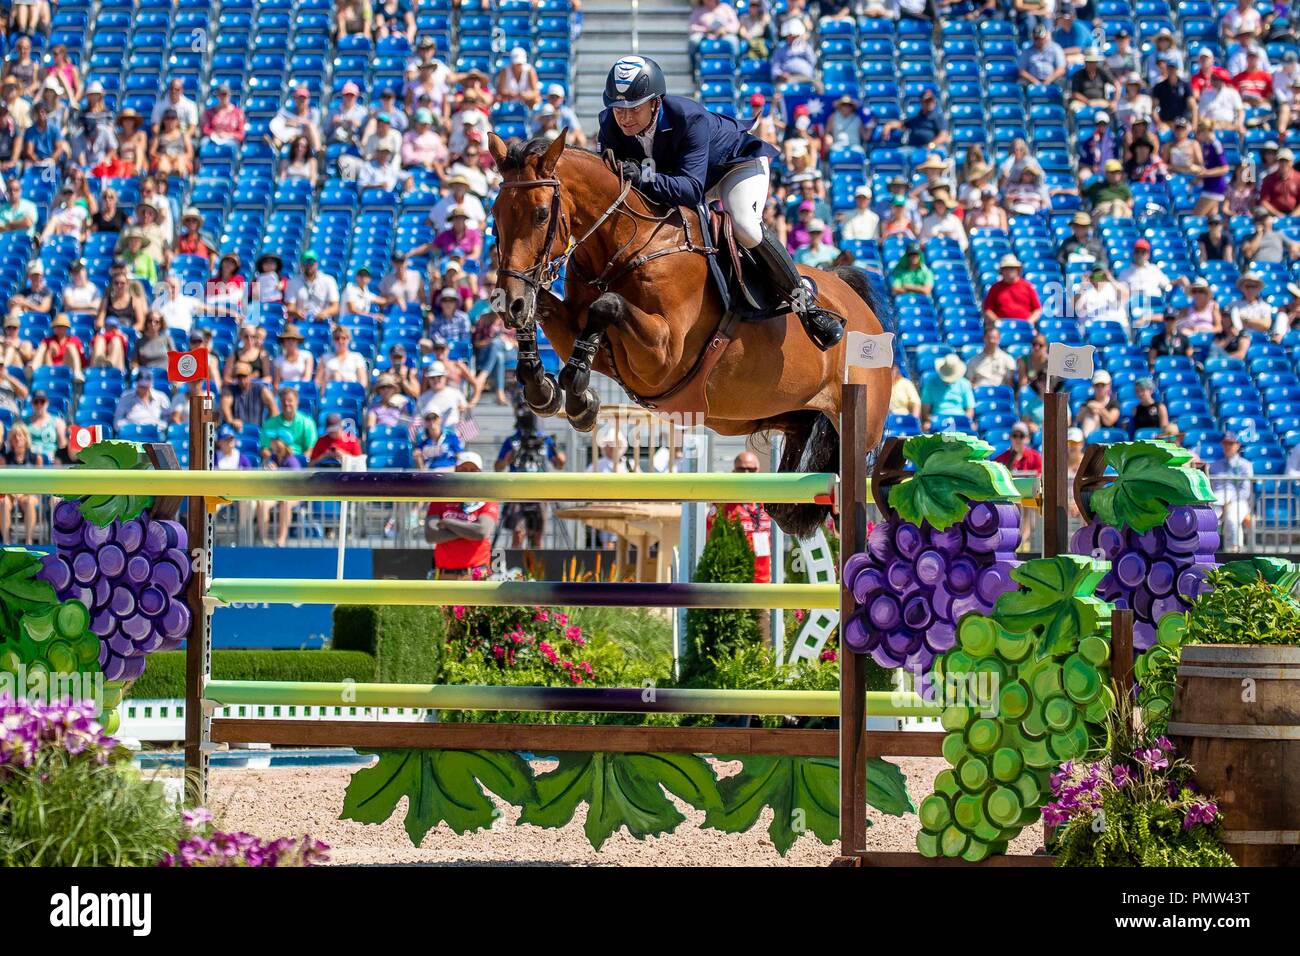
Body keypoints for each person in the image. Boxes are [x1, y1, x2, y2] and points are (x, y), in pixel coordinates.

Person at [593, 55, 841, 350]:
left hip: (734, 167)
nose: (625, 117)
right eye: (618, 108)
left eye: (634, 108)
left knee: (744, 224)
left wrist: (644, 178)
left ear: (656, 102)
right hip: (680, 177)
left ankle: (804, 301)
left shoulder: (689, 117)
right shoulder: (609, 125)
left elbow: (691, 190)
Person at [494, 408, 567, 549]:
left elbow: (559, 465)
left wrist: (555, 449)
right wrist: (508, 458)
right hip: (517, 492)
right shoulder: (512, 441)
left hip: (540, 492)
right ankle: (516, 562)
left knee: (538, 536)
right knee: (518, 533)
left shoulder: (545, 440)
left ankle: (537, 563)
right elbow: (498, 467)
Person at [424, 451, 499, 579]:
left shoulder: (487, 498)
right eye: (463, 469)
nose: (468, 474)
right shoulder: (442, 497)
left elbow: (481, 531)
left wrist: (448, 523)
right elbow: (431, 535)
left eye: (473, 470)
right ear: (456, 470)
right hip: (445, 575)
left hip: (476, 574)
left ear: (480, 473)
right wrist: (469, 531)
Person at [0, 423, 43, 544]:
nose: (17, 438)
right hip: (10, 494)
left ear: (26, 437)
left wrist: (22, 493)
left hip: (29, 494)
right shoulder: (4, 459)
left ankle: (29, 541)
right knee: (3, 502)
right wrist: (13, 493)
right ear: (10, 440)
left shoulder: (36, 458)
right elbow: (2, 482)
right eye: (14, 436)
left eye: (20, 435)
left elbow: (39, 483)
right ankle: (6, 541)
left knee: (29, 502)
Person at [1209, 432, 1253, 551]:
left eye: (1231, 444)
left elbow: (1245, 491)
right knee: (1208, 519)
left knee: (1232, 519)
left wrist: (1229, 501)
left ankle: (1234, 550)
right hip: (1217, 501)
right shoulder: (1214, 466)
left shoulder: (1245, 465)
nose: (1228, 446)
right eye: (1226, 444)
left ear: (1237, 445)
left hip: (1238, 501)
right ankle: (1209, 549)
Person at [258, 387, 317, 464]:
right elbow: (264, 449)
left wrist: (298, 463)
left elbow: (311, 449)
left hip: (299, 464)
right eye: (283, 401)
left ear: (297, 402)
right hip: (275, 464)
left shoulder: (307, 423)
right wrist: (275, 462)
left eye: (290, 400)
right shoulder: (270, 423)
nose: (286, 403)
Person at [982, 255, 1042, 324]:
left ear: (1018, 270)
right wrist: (997, 322)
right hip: (1001, 326)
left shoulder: (1027, 286)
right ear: (1001, 271)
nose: (1009, 271)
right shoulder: (995, 288)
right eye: (1006, 269)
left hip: (1024, 326)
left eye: (1012, 268)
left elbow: (1037, 309)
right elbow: (988, 310)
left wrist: (1029, 322)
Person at [921, 354, 975, 429]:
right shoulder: (930, 384)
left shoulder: (965, 384)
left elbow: (970, 409)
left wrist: (966, 421)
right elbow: (925, 410)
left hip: (959, 419)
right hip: (937, 419)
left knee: (972, 428)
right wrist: (932, 420)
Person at [285, 252, 341, 322]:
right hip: (300, 321)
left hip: (323, 321)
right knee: (290, 328)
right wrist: (296, 312)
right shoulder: (293, 282)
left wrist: (324, 313)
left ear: (317, 264)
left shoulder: (329, 280)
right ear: (301, 265)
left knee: (339, 328)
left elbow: (335, 307)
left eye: (312, 262)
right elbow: (290, 307)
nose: (309, 265)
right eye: (306, 263)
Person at [221, 361, 277, 431]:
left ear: (250, 376)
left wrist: (271, 425)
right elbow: (225, 407)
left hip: (256, 431)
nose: (242, 380)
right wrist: (232, 421)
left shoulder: (261, 389)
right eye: (239, 377)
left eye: (245, 376)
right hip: (235, 430)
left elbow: (273, 407)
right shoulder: (229, 390)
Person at [415, 362, 468, 428]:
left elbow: (466, 417)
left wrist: (463, 411)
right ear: (428, 379)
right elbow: (417, 422)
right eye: (432, 377)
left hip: (453, 432)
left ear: (445, 377)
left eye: (439, 377)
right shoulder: (422, 398)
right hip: (430, 433)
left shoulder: (456, 394)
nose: (436, 380)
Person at [32, 314, 85, 379]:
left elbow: (82, 359)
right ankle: (33, 370)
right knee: (43, 347)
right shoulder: (47, 341)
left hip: (67, 367)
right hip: (50, 366)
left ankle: (77, 373)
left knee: (71, 347)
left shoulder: (74, 340)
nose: (59, 329)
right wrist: (49, 350)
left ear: (66, 328)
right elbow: (43, 354)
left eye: (62, 326)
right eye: (57, 326)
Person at [24, 390, 67, 465]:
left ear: (47, 403)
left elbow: (62, 445)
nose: (39, 405)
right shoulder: (24, 423)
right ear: (31, 403)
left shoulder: (57, 422)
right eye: (36, 402)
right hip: (30, 460)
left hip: (51, 460)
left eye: (42, 401)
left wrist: (56, 457)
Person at [1075, 369, 1121, 435]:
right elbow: (1078, 419)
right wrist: (1088, 409)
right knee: (1091, 415)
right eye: (1097, 385)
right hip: (1089, 433)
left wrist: (1099, 408)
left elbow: (1110, 422)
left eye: (1103, 385)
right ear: (1093, 386)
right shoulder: (1087, 402)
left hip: (1108, 436)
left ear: (1109, 386)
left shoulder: (1114, 403)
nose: (1100, 388)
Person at [272, 324, 315, 389]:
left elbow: (307, 378)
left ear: (297, 341)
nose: (290, 341)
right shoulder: (278, 360)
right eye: (287, 339)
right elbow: (276, 383)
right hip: (284, 392)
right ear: (283, 341)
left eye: (293, 339)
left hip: (302, 390)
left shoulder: (307, 356)